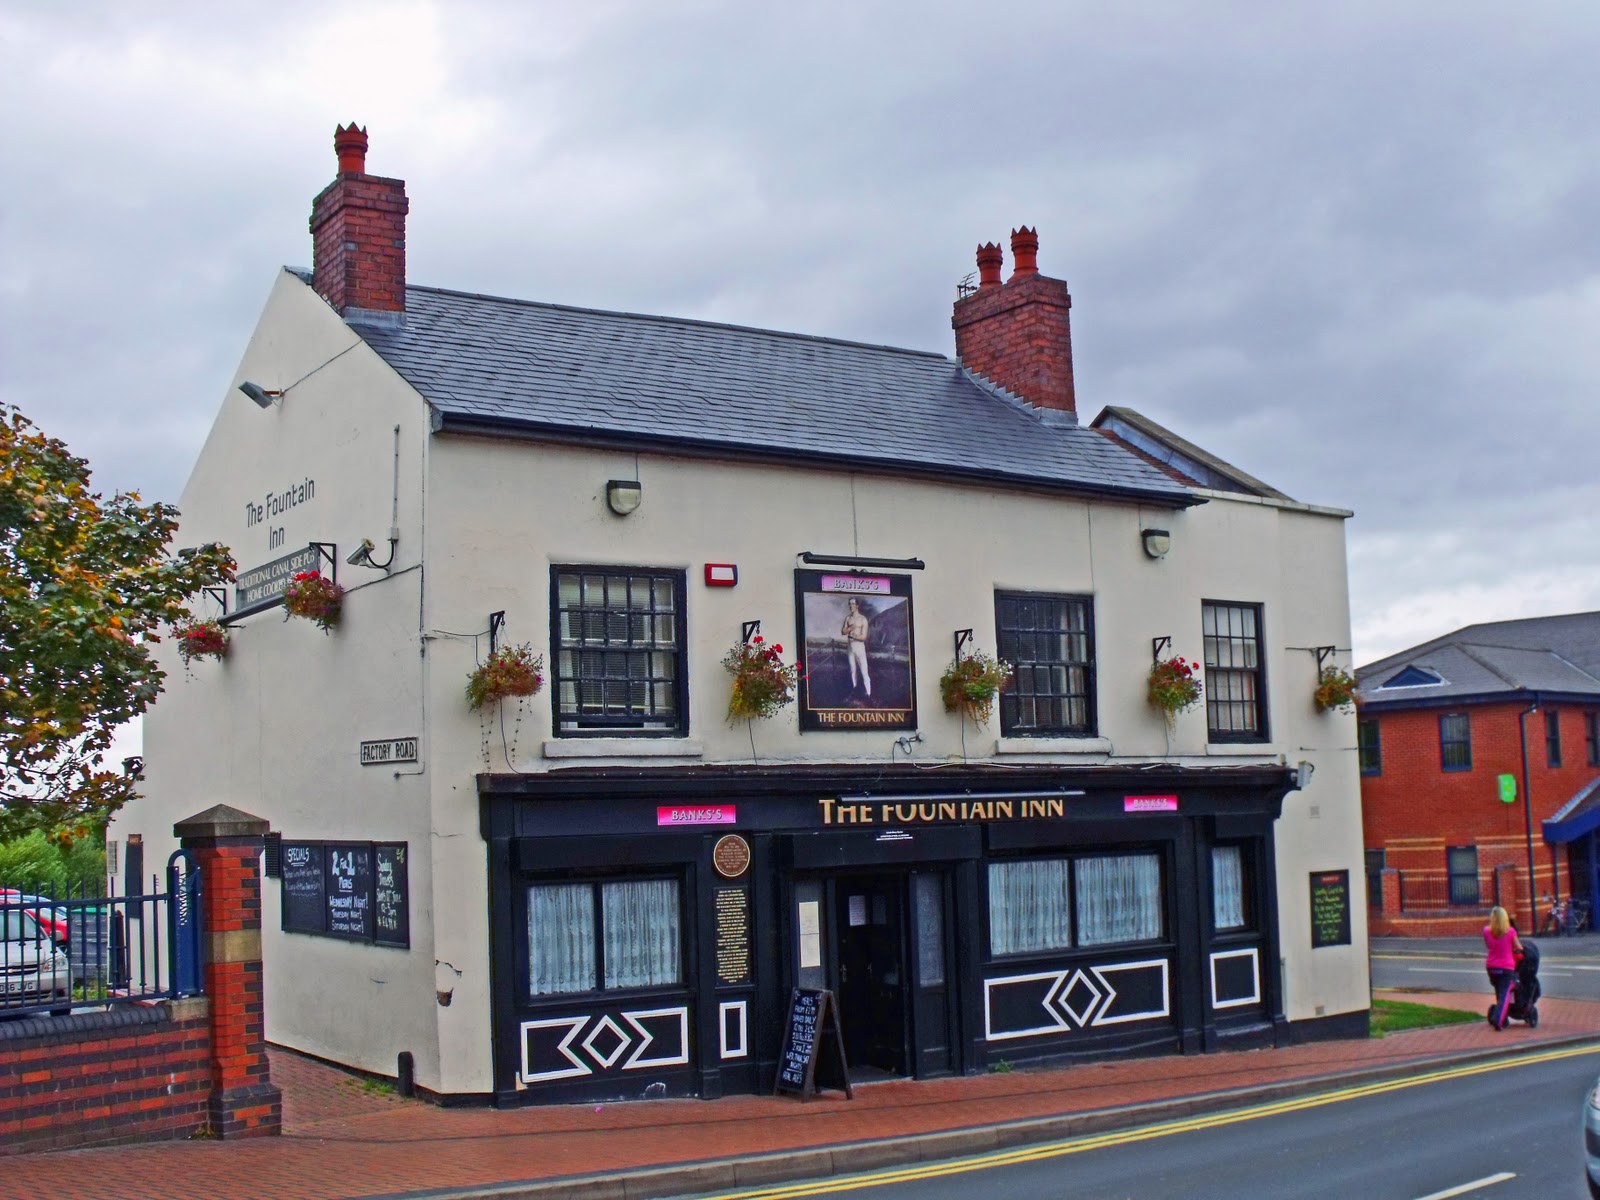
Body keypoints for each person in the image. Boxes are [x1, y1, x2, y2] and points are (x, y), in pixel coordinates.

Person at [1483, 905, 1523, 1030]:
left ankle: (1503, 1017)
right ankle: (1498, 1019)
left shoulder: (1486, 931)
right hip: (1506, 967)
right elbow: (1519, 947)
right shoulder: (1510, 932)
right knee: (1505, 994)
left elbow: (1489, 946)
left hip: (1491, 967)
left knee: (1499, 992)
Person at [839, 598, 871, 700]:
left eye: (852, 604)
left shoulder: (863, 619)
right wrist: (850, 628)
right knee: (853, 670)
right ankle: (854, 691)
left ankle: (869, 693)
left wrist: (854, 636)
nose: (850, 606)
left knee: (864, 671)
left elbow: (864, 636)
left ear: (857, 606)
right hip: (850, 648)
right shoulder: (848, 618)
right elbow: (843, 631)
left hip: (860, 647)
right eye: (849, 604)